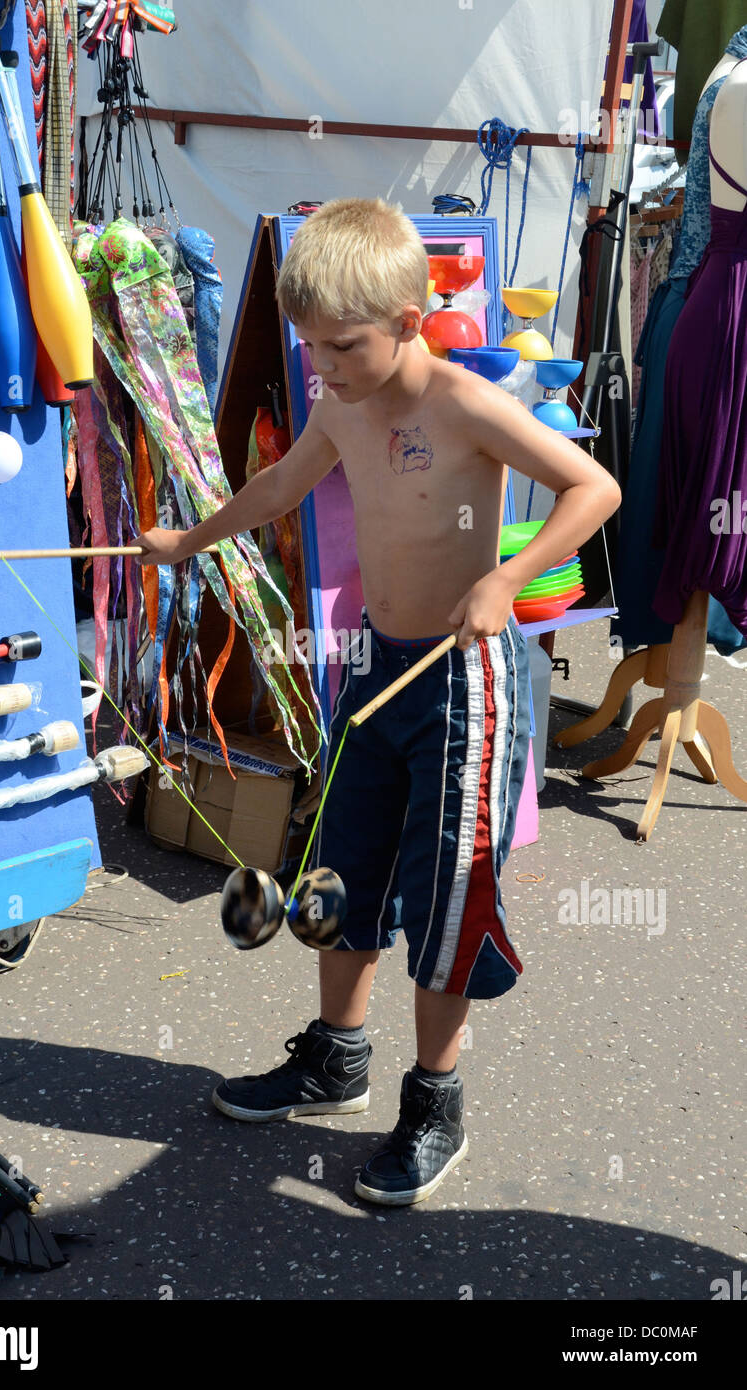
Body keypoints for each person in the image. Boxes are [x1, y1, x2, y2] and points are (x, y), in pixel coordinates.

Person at [136, 197, 621, 1206]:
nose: (323, 366)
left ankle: (434, 1100)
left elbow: (592, 490)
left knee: (447, 896)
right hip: (374, 668)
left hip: (460, 686)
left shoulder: (462, 402)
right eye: (310, 346)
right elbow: (277, 487)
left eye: (341, 345)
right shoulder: (336, 402)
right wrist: (189, 541)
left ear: (407, 319)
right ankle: (334, 1060)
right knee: (338, 869)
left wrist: (503, 578)